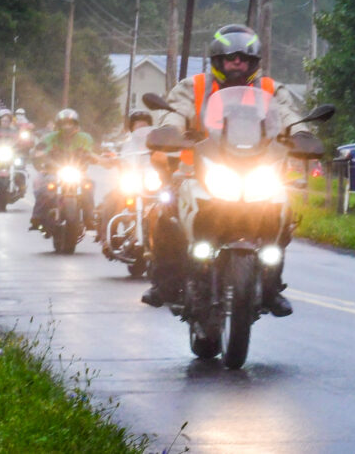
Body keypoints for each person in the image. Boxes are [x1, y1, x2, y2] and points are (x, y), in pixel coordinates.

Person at [142, 24, 316, 317]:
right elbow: (175, 112)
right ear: (218, 60)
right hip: (199, 170)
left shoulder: (270, 90)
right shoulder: (193, 87)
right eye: (232, 57)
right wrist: (169, 131)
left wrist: (303, 135)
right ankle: (165, 282)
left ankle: (270, 286)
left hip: (257, 169)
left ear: (254, 62)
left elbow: (289, 115)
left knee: (282, 213)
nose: (238, 62)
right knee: (164, 213)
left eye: (244, 58)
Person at [29, 108, 95, 230]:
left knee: (89, 185)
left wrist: (97, 157)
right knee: (44, 189)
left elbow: (91, 153)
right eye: (64, 123)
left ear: (76, 124)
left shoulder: (85, 138)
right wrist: (38, 154)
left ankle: (89, 218)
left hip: (78, 172)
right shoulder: (50, 138)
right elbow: (39, 150)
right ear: (59, 125)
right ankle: (36, 217)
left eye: (70, 123)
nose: (67, 126)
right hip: (54, 172)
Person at [96, 109, 154, 245]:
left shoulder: (156, 142)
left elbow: (165, 157)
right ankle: (107, 239)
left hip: (151, 184)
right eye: (138, 125)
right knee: (110, 202)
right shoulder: (126, 144)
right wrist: (112, 159)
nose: (141, 128)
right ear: (132, 127)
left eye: (144, 125)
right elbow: (115, 157)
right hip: (132, 181)